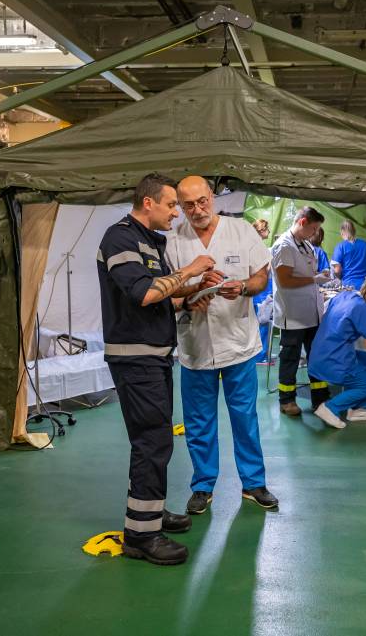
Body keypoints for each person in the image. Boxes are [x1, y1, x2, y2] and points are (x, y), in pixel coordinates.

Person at [97, 172, 222, 566]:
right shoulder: (119, 238)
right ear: (148, 203)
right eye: (172, 205)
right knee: (153, 442)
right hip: (135, 358)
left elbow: (158, 298)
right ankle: (140, 537)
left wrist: (193, 292)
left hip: (153, 355)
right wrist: (189, 270)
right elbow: (144, 292)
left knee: (157, 440)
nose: (177, 213)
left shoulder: (151, 241)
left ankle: (148, 515)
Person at [164, 176, 279, 515]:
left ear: (211, 197)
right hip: (195, 344)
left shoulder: (240, 230)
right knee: (199, 421)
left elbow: (261, 276)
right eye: (188, 205)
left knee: (244, 416)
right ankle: (203, 485)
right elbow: (166, 291)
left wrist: (242, 287)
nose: (197, 210)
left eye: (201, 201)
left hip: (238, 342)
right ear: (180, 206)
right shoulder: (173, 242)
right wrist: (191, 294)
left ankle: (254, 482)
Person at [309, 273, 366, 429]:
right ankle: (329, 408)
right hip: (334, 361)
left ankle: (357, 409)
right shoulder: (362, 307)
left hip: (319, 353)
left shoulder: (345, 295)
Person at [271, 206, 332, 416]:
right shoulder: (284, 246)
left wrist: (318, 275)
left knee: (317, 356)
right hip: (293, 315)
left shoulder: (305, 244)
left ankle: (321, 399)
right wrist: (314, 279)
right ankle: (287, 401)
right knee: (290, 358)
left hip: (311, 313)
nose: (314, 234)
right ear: (303, 222)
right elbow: (286, 280)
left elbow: (304, 273)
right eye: (313, 228)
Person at [251, 218, 275, 364]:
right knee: (263, 323)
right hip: (262, 291)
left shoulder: (256, 247)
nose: (269, 232)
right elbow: (263, 270)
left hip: (262, 290)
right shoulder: (258, 248)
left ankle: (263, 354)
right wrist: (272, 260)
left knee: (261, 324)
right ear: (261, 231)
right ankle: (261, 356)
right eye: (267, 229)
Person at [332, 220, 366, 290]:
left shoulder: (340, 247)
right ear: (354, 231)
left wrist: (341, 278)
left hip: (348, 286)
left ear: (342, 232)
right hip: (365, 285)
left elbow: (337, 270)